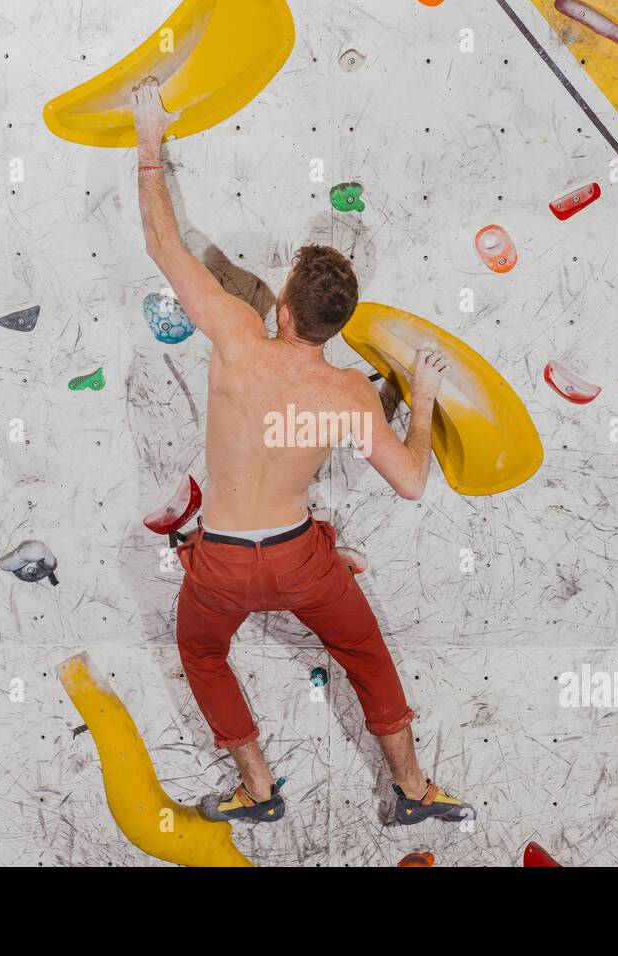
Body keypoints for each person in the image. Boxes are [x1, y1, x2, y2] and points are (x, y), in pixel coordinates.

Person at [132, 77, 473, 826]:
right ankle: (412, 790)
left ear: (282, 309)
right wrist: (422, 400)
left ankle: (258, 789)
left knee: (203, 655)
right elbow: (413, 482)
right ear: (337, 327)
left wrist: (150, 139)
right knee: (366, 656)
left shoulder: (233, 333)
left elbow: (163, 244)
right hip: (298, 560)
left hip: (220, 559)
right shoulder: (351, 392)